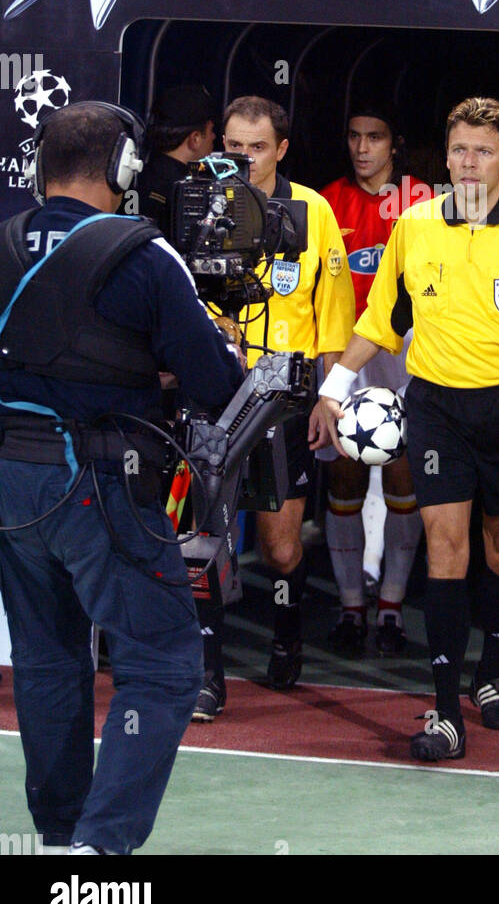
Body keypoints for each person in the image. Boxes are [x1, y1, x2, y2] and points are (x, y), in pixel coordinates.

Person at [320, 96, 499, 762]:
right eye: (460, 150)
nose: (471, 162)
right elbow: (380, 319)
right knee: (447, 550)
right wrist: (333, 387)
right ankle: (446, 713)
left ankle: (492, 673)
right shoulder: (413, 227)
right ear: (446, 158)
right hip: (437, 406)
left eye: (484, 151)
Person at [0, 101, 244, 853]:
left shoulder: (3, 242)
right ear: (123, 170)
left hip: (11, 485)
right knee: (167, 664)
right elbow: (216, 384)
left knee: (46, 661)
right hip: (100, 485)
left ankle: (60, 836)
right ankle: (100, 850)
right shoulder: (144, 252)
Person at [193, 96, 355, 718]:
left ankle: (288, 635)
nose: (244, 159)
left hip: (285, 397)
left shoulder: (313, 212)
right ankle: (210, 674)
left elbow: (335, 316)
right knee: (203, 538)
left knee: (281, 547)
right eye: (233, 147)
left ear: (281, 150)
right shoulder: (199, 207)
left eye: (257, 148)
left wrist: (328, 398)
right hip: (216, 392)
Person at [319, 101, 431, 655]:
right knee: (345, 475)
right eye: (355, 136)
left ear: (395, 143)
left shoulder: (425, 202)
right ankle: (350, 609)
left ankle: (391, 609)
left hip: (407, 352)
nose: (363, 148)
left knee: (402, 474)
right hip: (345, 349)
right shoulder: (325, 203)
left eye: (376, 137)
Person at [137, 86, 216, 236]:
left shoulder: (137, 179)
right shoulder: (188, 192)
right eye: (212, 130)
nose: (214, 137)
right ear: (195, 139)